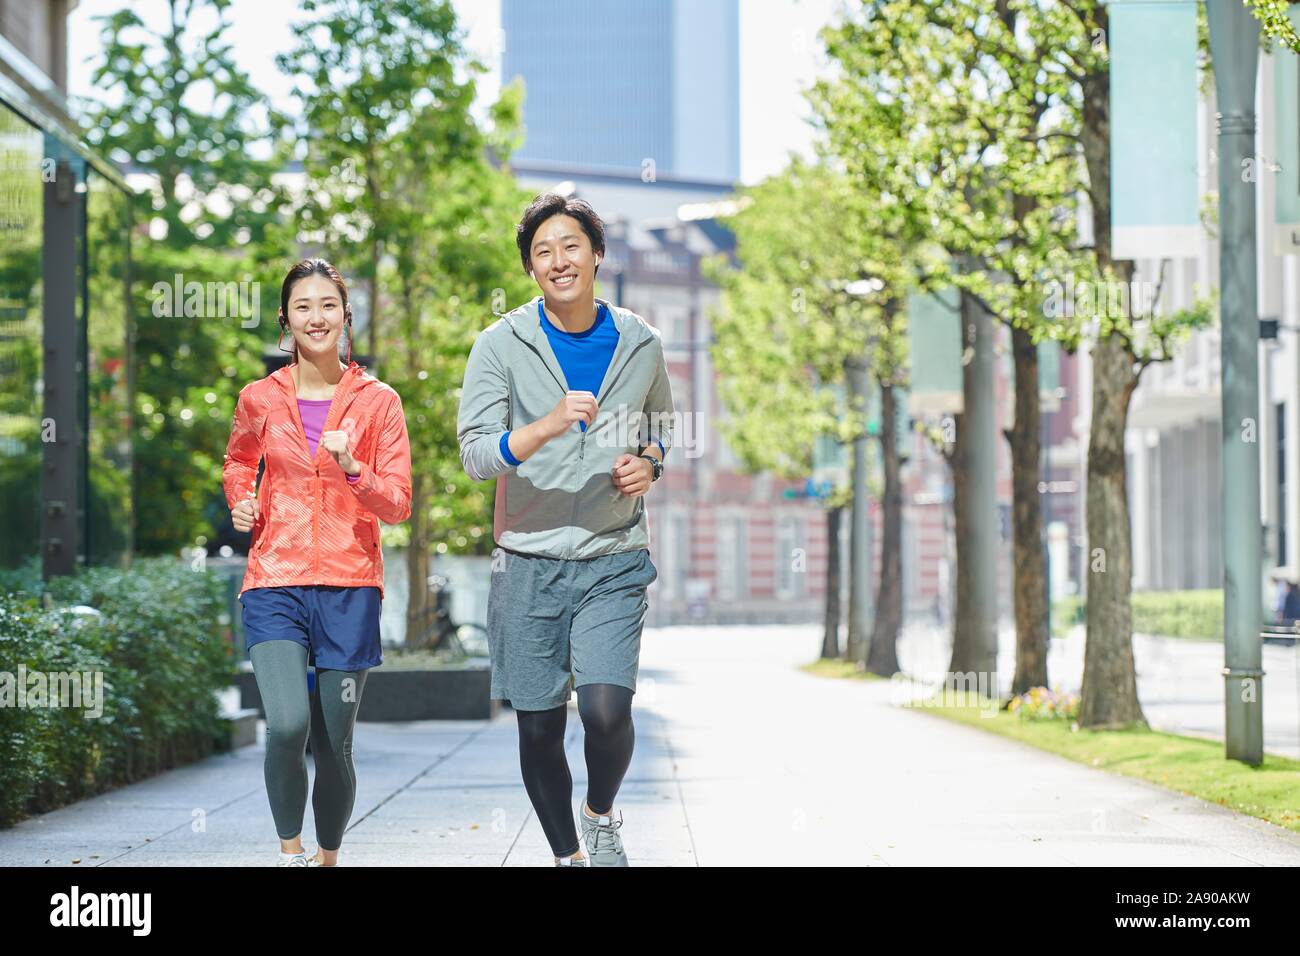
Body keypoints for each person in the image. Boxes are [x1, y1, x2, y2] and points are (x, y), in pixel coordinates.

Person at [457, 194, 675, 866]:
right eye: (543, 251)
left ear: (597, 253)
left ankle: (600, 814)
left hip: (613, 555)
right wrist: (546, 425)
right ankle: (569, 856)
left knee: (608, 713)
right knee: (541, 730)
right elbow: (475, 454)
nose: (559, 260)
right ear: (530, 268)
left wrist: (650, 463)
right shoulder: (500, 344)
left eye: (570, 245)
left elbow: (661, 427)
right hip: (526, 561)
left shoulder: (640, 343)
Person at [223, 258, 412, 867]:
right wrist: (241, 500)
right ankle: (290, 855)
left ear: (346, 315)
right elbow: (236, 462)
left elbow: (400, 502)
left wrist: (355, 468)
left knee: (335, 744)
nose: (316, 317)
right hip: (273, 580)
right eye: (302, 306)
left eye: (328, 304)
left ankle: (328, 858)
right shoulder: (259, 399)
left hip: (350, 586)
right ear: (286, 320)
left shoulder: (378, 402)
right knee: (285, 725)